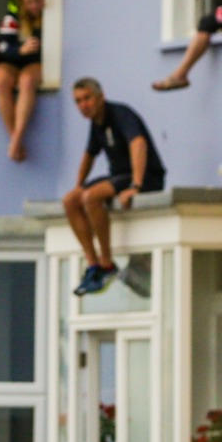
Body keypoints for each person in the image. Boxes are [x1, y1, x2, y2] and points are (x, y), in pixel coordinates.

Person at [63, 78, 167, 295]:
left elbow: (138, 143)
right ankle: (93, 265)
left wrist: (136, 185)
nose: (83, 105)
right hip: (119, 176)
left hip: (146, 176)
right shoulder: (96, 123)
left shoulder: (121, 114)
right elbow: (89, 155)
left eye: (87, 99)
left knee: (91, 197)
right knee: (71, 200)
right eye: (78, 101)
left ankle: (107, 264)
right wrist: (78, 185)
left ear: (101, 97)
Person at [0, 0, 46, 162]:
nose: (34, 6)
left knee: (26, 81)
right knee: (1, 80)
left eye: (38, 1)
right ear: (22, 1)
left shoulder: (50, 17)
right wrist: (20, 50)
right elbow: (3, 47)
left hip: (35, 63)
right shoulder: (12, 16)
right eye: (30, 2)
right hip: (14, 60)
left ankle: (18, 137)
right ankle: (14, 137)